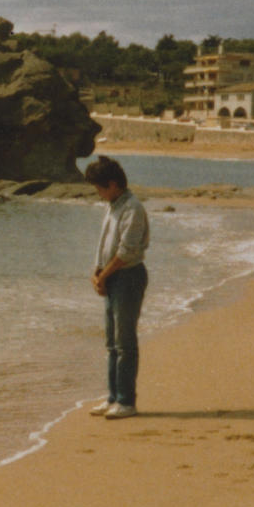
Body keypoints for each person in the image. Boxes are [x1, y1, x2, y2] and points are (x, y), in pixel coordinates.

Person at [84, 156, 149, 418]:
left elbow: (126, 251)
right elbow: (104, 244)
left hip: (128, 277)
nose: (98, 193)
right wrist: (97, 272)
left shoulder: (133, 208)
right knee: (111, 343)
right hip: (112, 276)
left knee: (125, 343)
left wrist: (104, 275)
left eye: (99, 188)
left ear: (112, 184)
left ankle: (126, 402)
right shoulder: (113, 206)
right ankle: (113, 397)